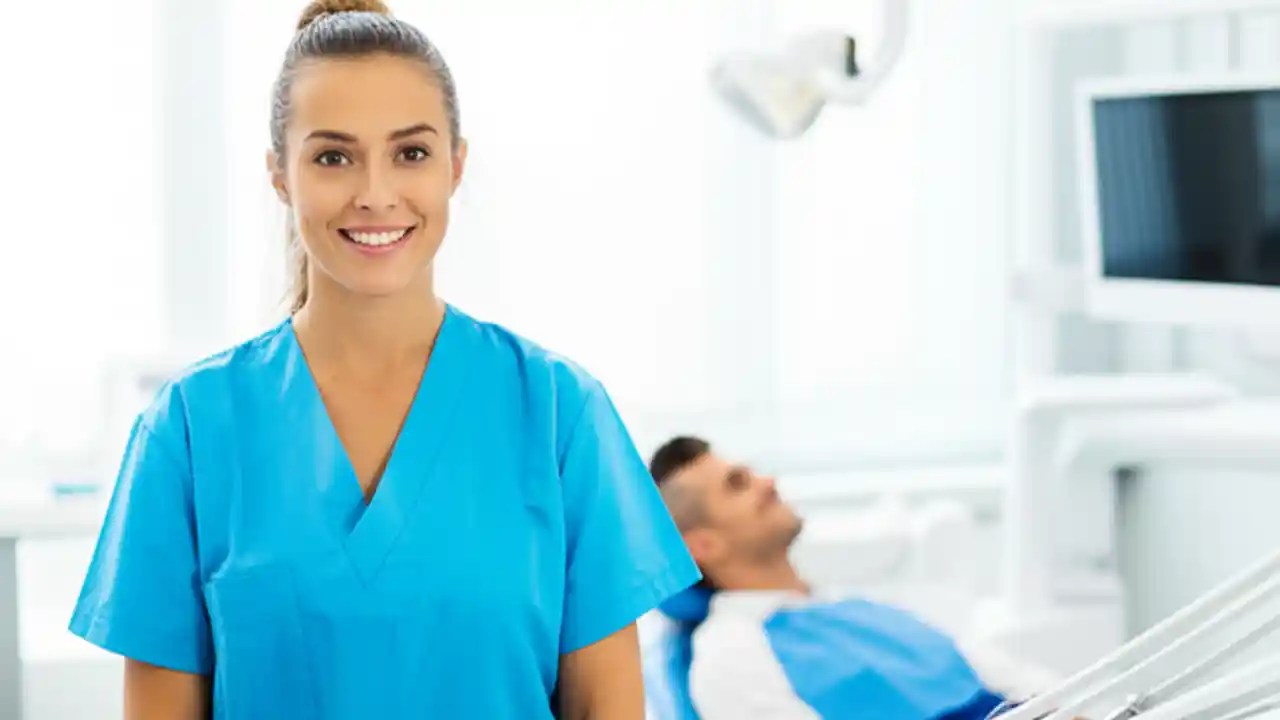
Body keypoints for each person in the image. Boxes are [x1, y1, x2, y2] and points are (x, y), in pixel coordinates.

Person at [68, 2, 700, 718]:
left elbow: (604, 707)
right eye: (333, 157)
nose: (374, 195)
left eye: (411, 153)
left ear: (456, 165)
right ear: (279, 174)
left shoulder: (559, 413)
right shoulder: (189, 428)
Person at [648, 436, 1060, 720]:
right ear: (701, 545)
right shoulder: (731, 655)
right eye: (737, 485)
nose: (768, 482)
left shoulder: (861, 610)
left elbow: (1026, 685)